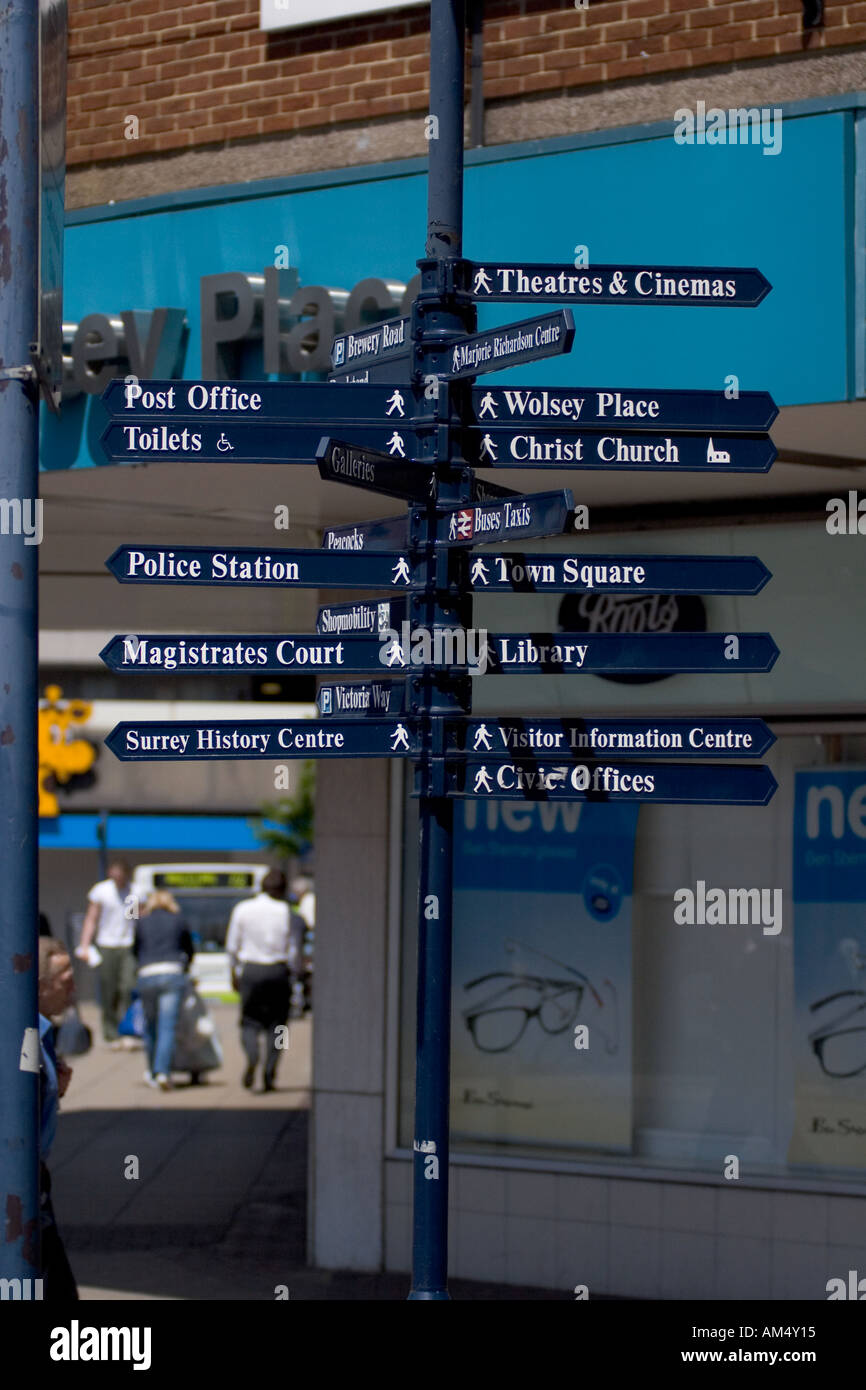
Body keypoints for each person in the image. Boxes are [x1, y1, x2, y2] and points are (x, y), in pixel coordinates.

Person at [226, 868, 295, 1093]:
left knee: (248, 1022)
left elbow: (232, 946)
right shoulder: (286, 911)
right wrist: (292, 974)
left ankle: (253, 1056)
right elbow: (293, 950)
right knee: (280, 1027)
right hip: (278, 970)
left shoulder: (243, 909)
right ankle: (271, 1070)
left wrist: (233, 972)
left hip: (251, 970)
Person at [38, 937, 79, 1300]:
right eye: (65, 979)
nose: (73, 987)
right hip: (23, 1182)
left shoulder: (44, 1034)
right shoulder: (25, 1038)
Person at [133, 890, 194, 1092]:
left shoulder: (142, 921)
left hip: (147, 973)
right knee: (167, 1027)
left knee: (151, 1027)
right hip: (172, 972)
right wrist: (187, 967)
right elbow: (189, 947)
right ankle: (163, 1072)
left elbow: (135, 949)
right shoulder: (179, 919)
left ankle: (151, 1071)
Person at [76, 858, 140, 1048]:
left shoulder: (133, 892)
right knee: (108, 989)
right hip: (106, 944)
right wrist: (85, 944)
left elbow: (134, 919)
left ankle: (128, 1030)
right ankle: (111, 1033)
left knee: (128, 987)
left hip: (127, 944)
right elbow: (91, 918)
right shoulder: (101, 891)